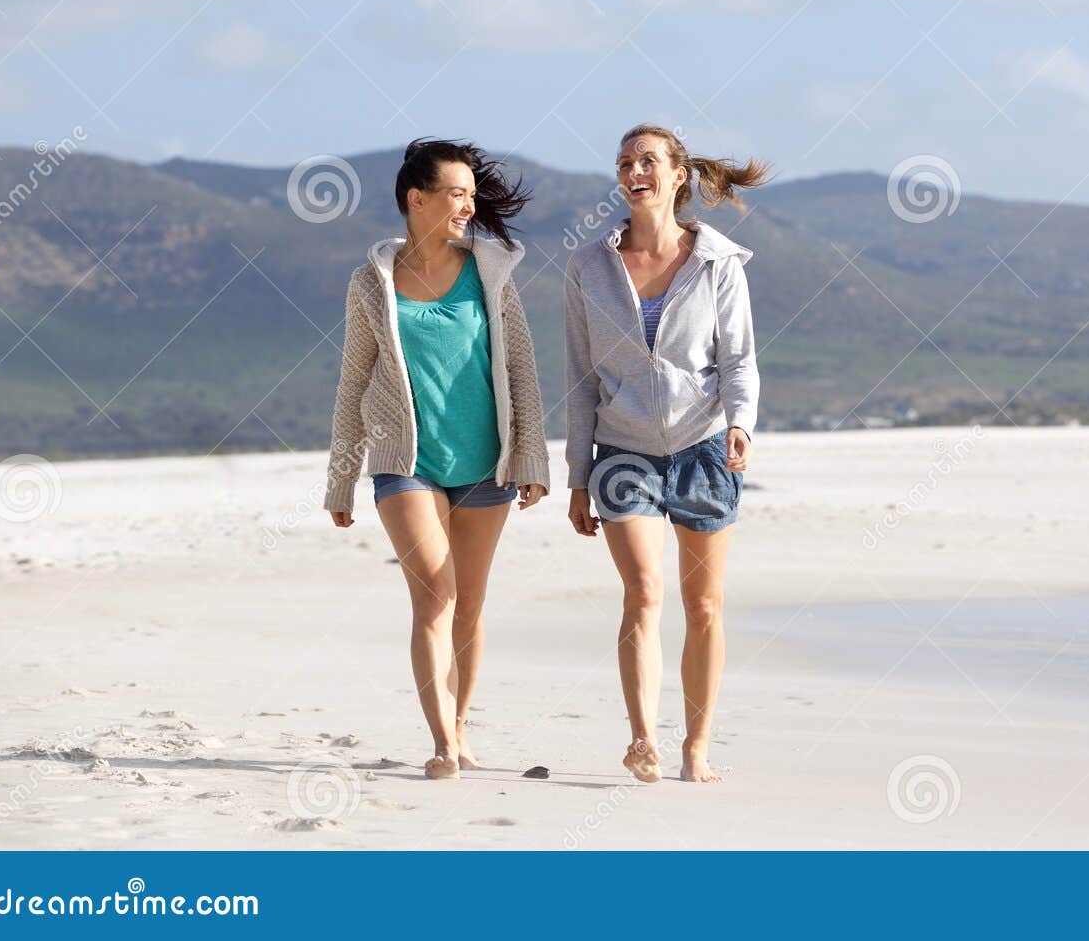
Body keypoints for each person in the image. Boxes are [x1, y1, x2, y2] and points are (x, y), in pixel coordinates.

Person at [323, 138, 550, 779]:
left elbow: (520, 368)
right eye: (456, 193)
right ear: (414, 199)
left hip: (485, 462)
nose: (467, 205)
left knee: (470, 605)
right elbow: (352, 380)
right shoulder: (371, 282)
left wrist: (531, 456)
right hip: (406, 462)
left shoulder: (492, 272)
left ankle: (463, 724)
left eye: (472, 195)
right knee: (435, 598)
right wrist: (341, 482)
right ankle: (442, 741)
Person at [564, 123, 766, 783]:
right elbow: (581, 377)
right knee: (644, 591)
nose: (633, 171)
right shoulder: (589, 265)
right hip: (622, 451)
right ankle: (644, 736)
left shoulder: (717, 263)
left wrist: (741, 423)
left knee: (704, 604)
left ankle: (697, 747)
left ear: (677, 175)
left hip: (704, 448)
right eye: (624, 162)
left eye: (647, 160)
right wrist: (575, 476)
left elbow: (739, 358)